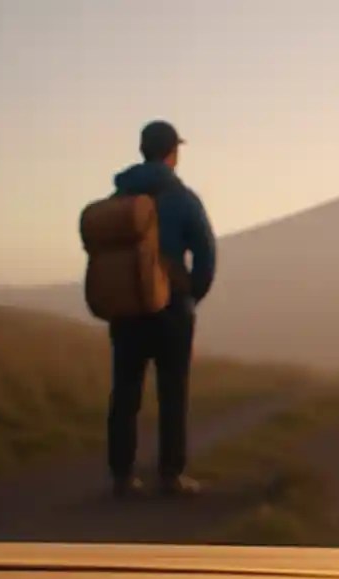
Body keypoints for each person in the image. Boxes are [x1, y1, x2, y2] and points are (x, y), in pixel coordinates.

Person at [106, 120, 217, 498]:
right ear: (172, 153)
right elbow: (205, 254)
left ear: (142, 150)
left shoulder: (117, 198)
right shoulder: (183, 198)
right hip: (171, 310)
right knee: (172, 392)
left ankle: (122, 475)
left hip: (126, 308)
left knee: (125, 392)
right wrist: (189, 296)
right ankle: (170, 475)